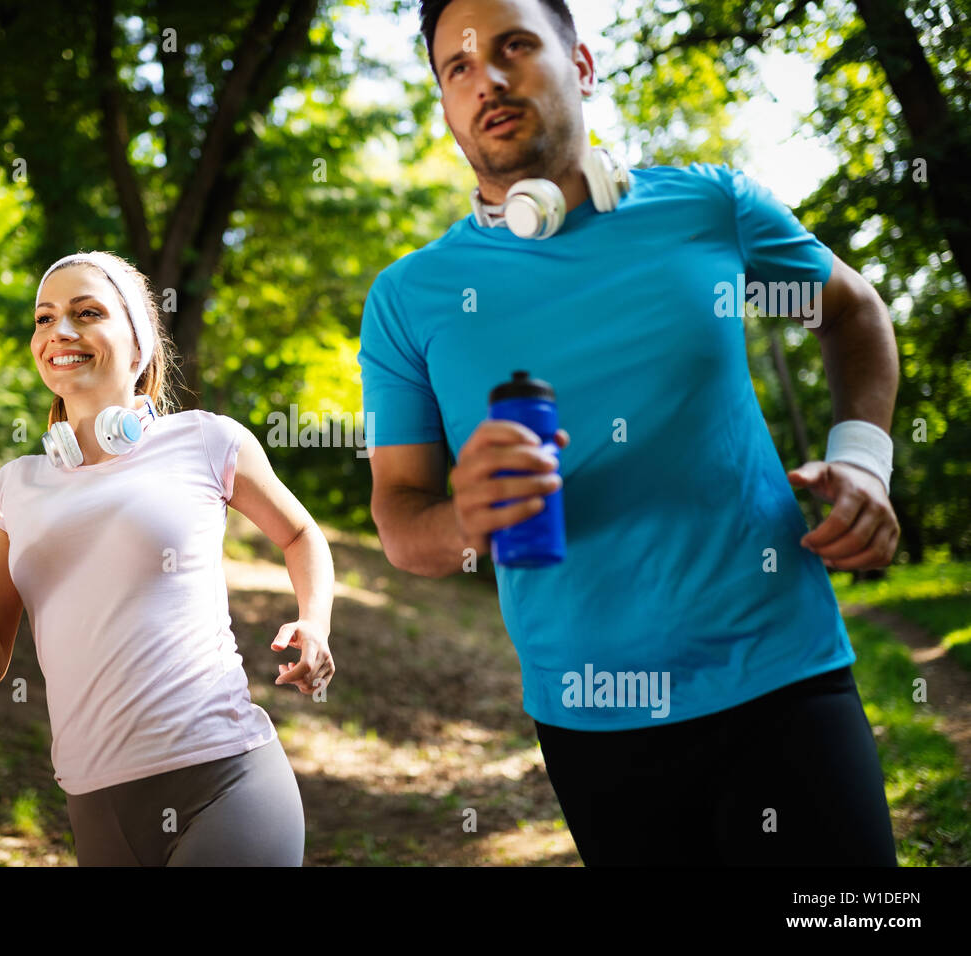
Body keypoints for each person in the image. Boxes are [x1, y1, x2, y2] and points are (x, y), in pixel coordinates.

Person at [357, 0, 901, 865]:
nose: (488, 80)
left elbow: (853, 309)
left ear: (581, 64)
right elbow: (400, 525)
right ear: (445, 101)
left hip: (785, 677)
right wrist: (467, 518)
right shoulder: (409, 297)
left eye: (515, 47)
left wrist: (863, 463)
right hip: (593, 722)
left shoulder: (709, 206)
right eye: (458, 68)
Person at [0, 250, 335, 866]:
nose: (59, 331)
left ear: (140, 343)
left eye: (85, 312)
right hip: (96, 811)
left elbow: (301, 533)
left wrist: (314, 621)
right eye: (44, 319)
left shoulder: (206, 440)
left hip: (225, 781)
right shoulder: (15, 486)